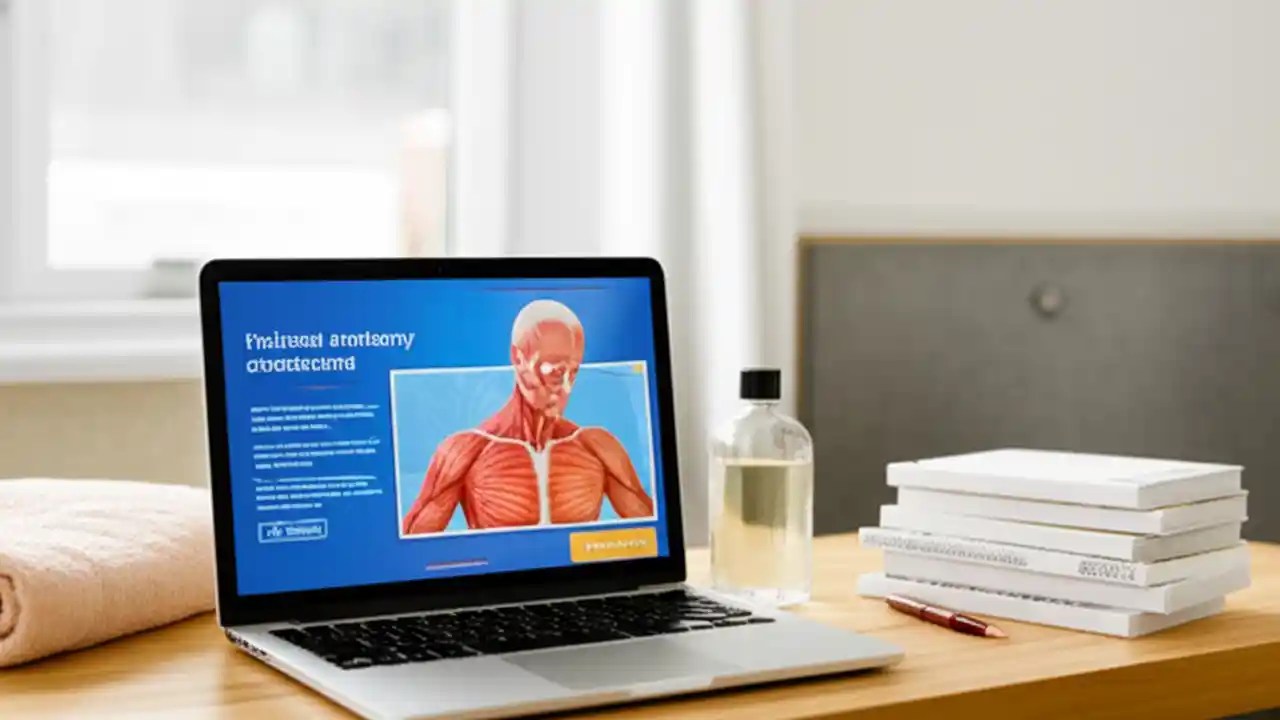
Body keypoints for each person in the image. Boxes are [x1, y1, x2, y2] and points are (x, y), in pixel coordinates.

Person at [402, 299, 654, 534]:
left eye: (573, 372)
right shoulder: (466, 452)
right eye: (553, 369)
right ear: (517, 358)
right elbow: (410, 552)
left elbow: (654, 538)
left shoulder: (598, 447)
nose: (564, 386)